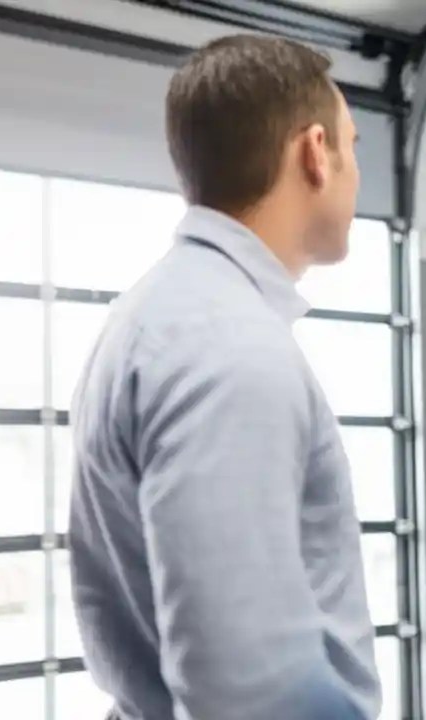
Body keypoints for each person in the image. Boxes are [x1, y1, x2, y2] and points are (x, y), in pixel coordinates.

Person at [67, 35, 378, 720]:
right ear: (314, 153)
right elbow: (252, 689)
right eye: (354, 146)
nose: (359, 171)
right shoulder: (225, 344)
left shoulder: (164, 315)